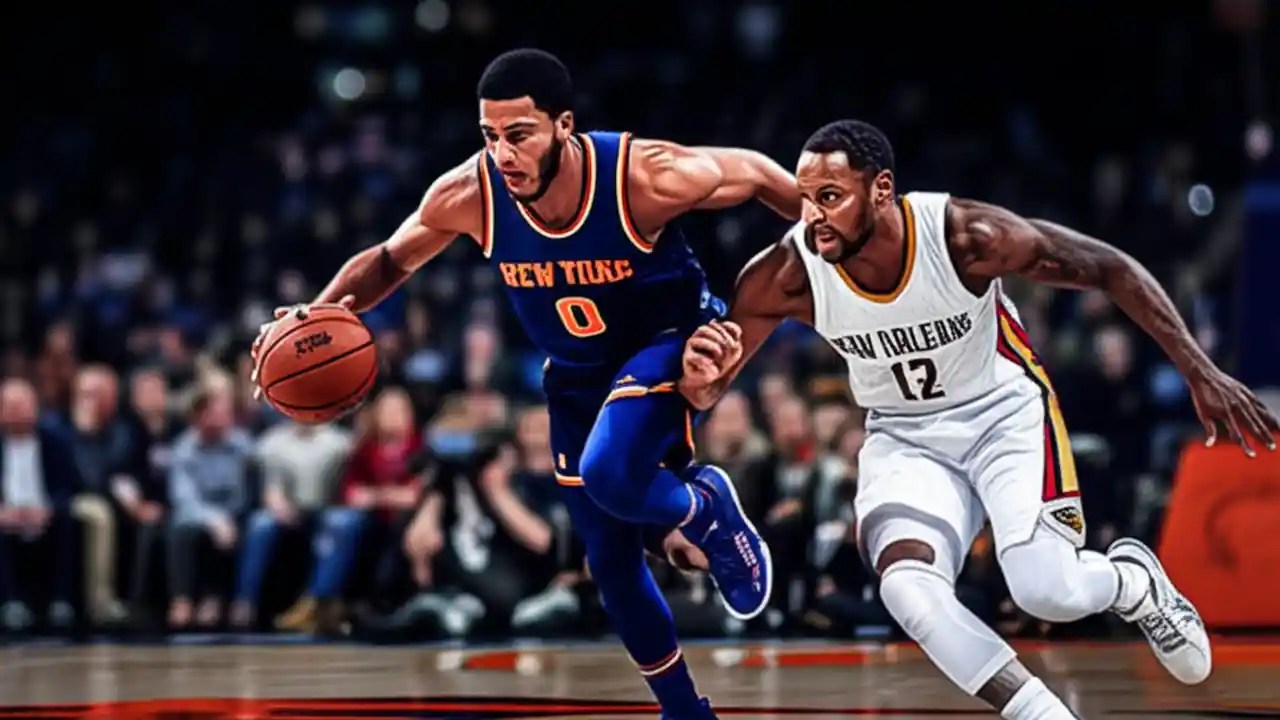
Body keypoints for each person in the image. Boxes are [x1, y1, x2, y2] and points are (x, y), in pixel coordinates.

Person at [250, 48, 800, 719]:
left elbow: (756, 172)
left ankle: (703, 508)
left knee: (608, 473)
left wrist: (833, 246)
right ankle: (685, 711)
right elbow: (393, 258)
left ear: (563, 126)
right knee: (611, 566)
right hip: (574, 375)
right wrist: (324, 308)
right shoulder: (470, 194)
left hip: (666, 346)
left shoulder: (642, 176)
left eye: (518, 135)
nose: (502, 153)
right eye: (489, 136)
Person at [676, 119, 1280, 719]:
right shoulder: (787, 273)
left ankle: (1133, 583)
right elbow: (708, 387)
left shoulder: (966, 235)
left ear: (881, 190)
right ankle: (1042, 715)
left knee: (1046, 589)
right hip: (903, 432)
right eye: (804, 199)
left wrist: (1200, 371)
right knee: (907, 588)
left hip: (1003, 415)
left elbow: (1111, 268)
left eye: (830, 197)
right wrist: (697, 390)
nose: (813, 216)